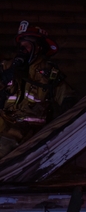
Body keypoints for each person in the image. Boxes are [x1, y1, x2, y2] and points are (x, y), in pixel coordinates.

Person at [0, 22, 69, 158]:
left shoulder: (49, 73)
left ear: (37, 48)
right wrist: (7, 75)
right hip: (5, 120)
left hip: (30, 129)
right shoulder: (7, 66)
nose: (22, 49)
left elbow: (68, 98)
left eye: (26, 45)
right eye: (20, 45)